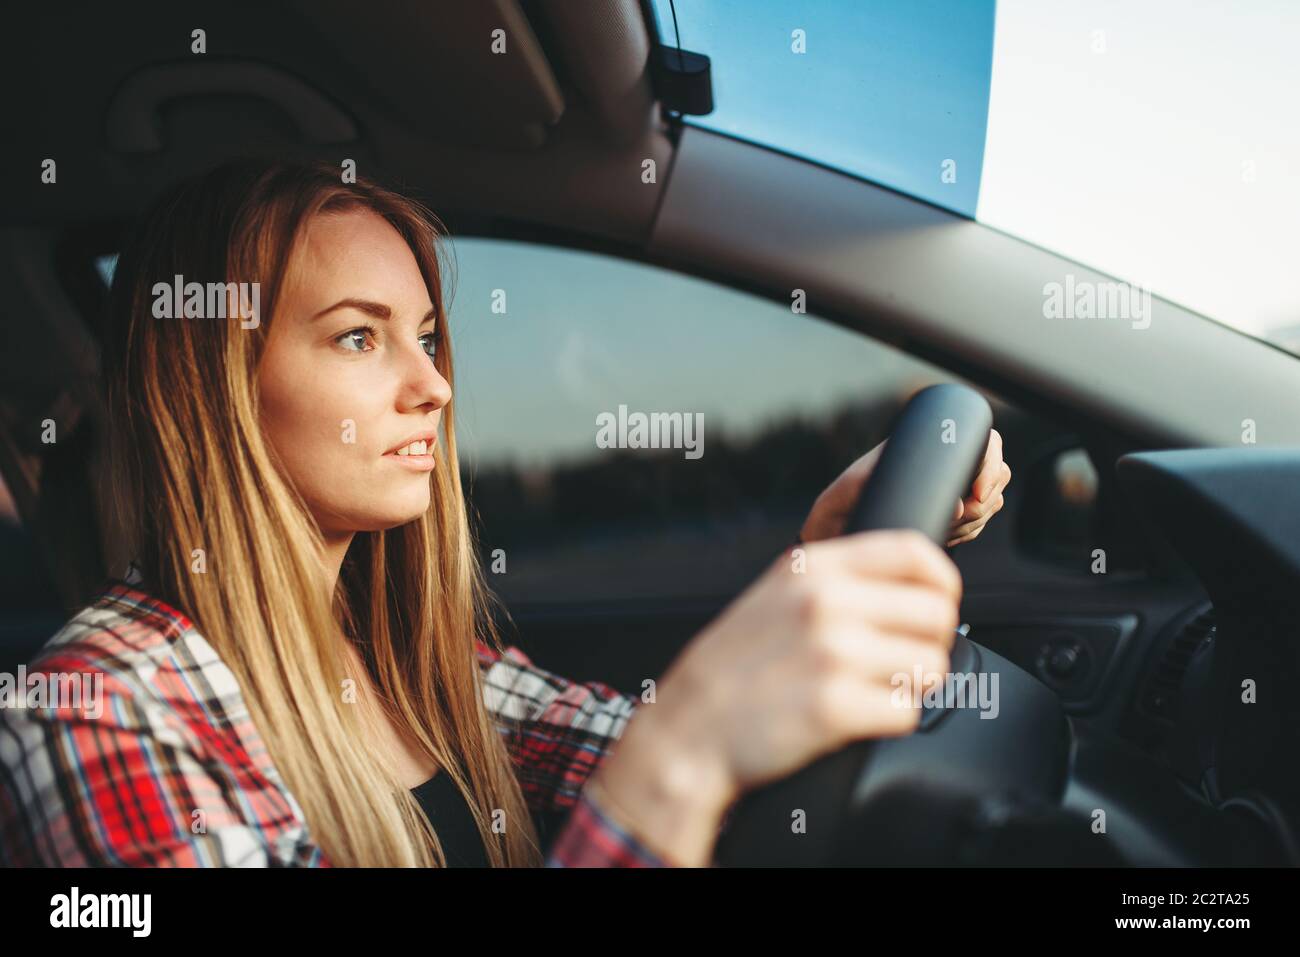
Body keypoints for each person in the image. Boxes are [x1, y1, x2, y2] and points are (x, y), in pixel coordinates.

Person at [0, 159, 1010, 867]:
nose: (433, 386)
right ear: (211, 385)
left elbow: (659, 752)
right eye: (358, 339)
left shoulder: (411, 662)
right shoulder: (102, 710)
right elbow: (668, 765)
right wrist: (676, 770)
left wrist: (816, 570)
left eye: (429, 337)